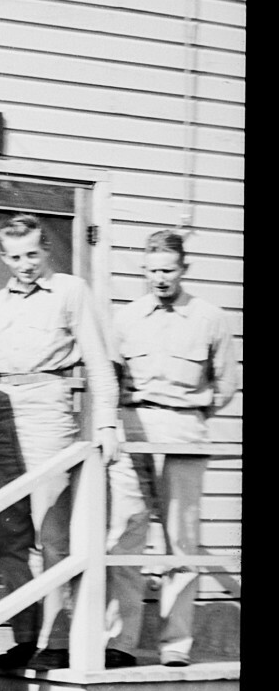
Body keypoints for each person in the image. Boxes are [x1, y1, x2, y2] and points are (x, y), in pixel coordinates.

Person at [0, 214, 119, 671]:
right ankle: (24, 637)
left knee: (50, 529)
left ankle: (56, 640)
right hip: (2, 408)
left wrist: (106, 424)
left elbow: (99, 363)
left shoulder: (70, 291)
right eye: (15, 257)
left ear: (47, 252)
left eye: (33, 255)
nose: (25, 265)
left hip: (49, 404)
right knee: (11, 531)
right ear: (4, 258)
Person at [106, 231, 238, 667]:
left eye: (168, 269)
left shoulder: (210, 318)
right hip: (133, 427)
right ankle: (119, 642)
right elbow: (112, 379)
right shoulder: (126, 319)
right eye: (152, 270)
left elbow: (225, 388)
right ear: (142, 270)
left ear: (184, 268)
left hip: (183, 432)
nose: (160, 278)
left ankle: (175, 645)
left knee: (181, 540)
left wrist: (191, 407)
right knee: (126, 532)